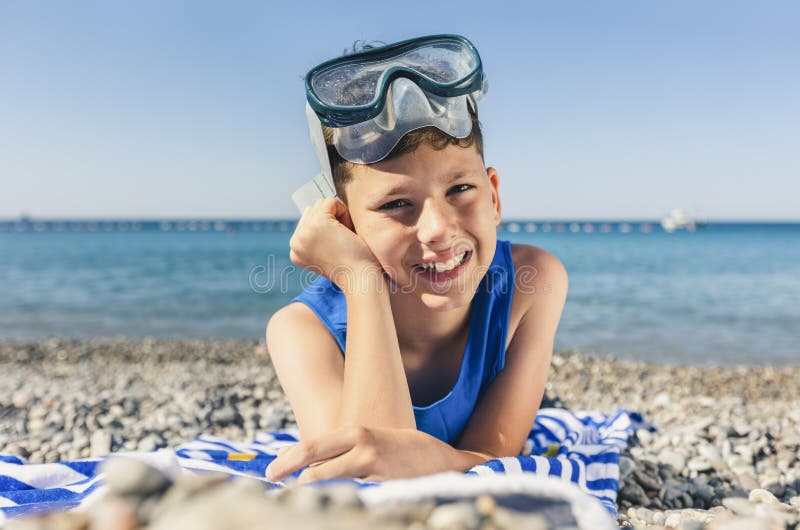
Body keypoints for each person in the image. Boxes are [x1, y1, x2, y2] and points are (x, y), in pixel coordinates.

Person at [264, 34, 568, 484]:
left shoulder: (531, 284)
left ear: (494, 196)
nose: (438, 230)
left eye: (460, 189)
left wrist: (432, 459)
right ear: (343, 225)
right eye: (395, 205)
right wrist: (360, 280)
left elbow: (495, 458)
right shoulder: (302, 332)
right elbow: (365, 487)